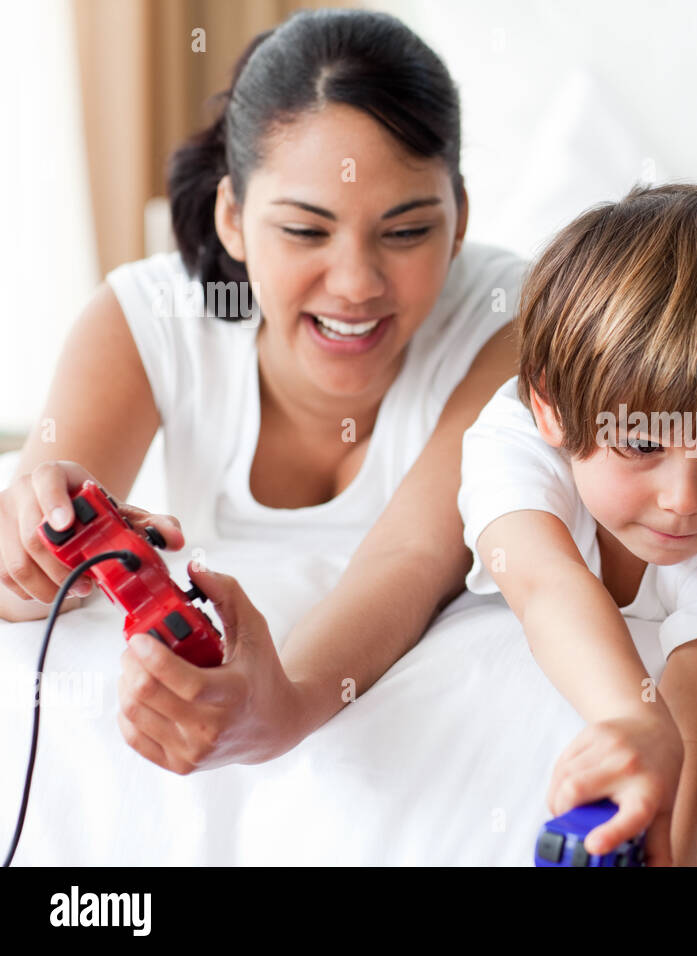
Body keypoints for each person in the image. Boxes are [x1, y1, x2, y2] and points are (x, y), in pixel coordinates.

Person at [0, 9, 525, 773]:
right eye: (306, 232)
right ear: (235, 219)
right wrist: (25, 561)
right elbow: (26, 545)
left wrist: (289, 701)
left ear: (460, 217)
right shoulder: (145, 317)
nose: (355, 285)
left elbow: (413, 553)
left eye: (407, 231)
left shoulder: (512, 317)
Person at [457, 185, 697, 864]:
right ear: (552, 408)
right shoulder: (514, 435)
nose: (685, 498)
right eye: (643, 446)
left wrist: (665, 834)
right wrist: (630, 718)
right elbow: (543, 584)